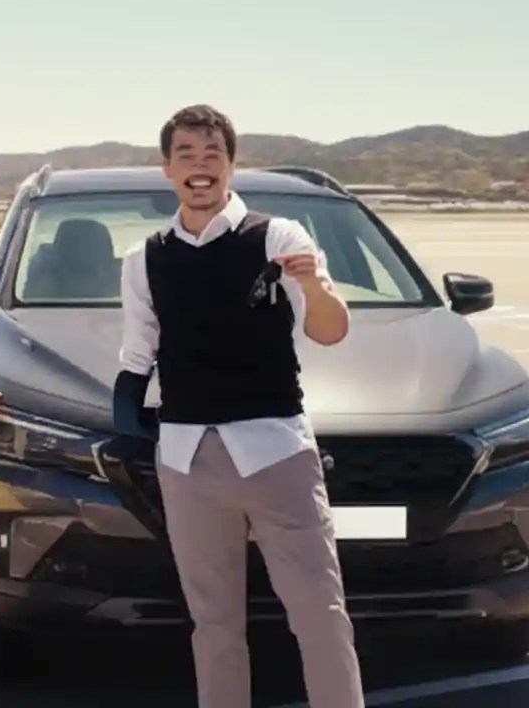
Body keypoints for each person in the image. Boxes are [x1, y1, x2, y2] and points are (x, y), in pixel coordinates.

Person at [114, 105, 364, 708]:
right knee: (213, 623)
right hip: (187, 460)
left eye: (212, 155)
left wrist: (314, 285)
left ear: (230, 164)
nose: (199, 167)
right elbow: (137, 353)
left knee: (319, 611)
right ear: (167, 167)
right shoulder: (145, 258)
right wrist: (128, 429)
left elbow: (330, 331)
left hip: (276, 453)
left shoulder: (278, 237)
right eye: (186, 155)